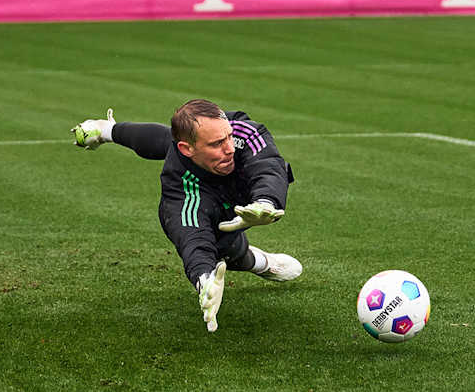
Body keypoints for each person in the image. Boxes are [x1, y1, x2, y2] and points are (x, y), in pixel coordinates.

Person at [71, 99, 302, 332]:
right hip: (209, 201)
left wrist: (266, 201)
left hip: (246, 194)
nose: (229, 147)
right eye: (217, 143)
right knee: (224, 249)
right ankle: (262, 263)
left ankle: (106, 129)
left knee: (166, 140)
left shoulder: (241, 131)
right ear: (187, 149)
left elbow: (268, 165)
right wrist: (204, 279)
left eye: (228, 136)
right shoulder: (179, 190)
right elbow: (192, 238)